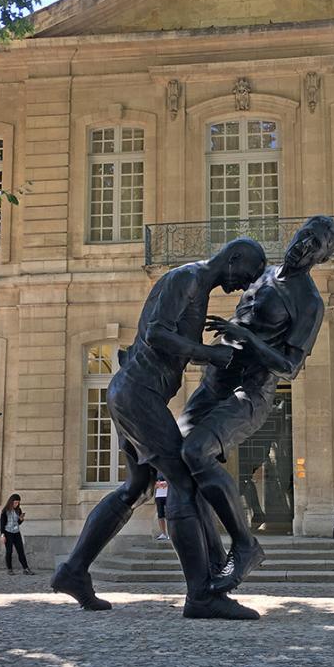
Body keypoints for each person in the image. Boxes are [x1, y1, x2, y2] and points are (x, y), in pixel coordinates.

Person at [51, 237, 266, 620]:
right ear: (232, 258)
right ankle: (201, 595)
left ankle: (73, 570)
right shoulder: (187, 278)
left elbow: (167, 344)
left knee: (137, 486)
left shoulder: (197, 287)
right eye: (245, 276)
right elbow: (156, 334)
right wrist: (210, 354)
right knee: (184, 481)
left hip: (130, 392)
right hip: (139, 395)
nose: (241, 287)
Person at [179, 216, 334, 593]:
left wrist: (246, 339)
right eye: (304, 237)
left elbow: (290, 367)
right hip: (217, 380)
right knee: (175, 460)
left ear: (321, 257)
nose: (303, 247)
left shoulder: (309, 302)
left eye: (314, 245)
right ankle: (215, 561)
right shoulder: (264, 273)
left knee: (194, 450)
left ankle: (246, 544)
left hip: (250, 393)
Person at [0, 493, 35, 575]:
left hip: (16, 532)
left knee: (21, 551)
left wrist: (21, 519)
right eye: (15, 502)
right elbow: (2, 524)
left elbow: (18, 522)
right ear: (11, 502)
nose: (17, 504)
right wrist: (2, 535)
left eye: (18, 503)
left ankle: (26, 569)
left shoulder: (18, 510)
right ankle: (9, 569)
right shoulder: (5, 511)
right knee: (9, 551)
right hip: (8, 532)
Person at [154, 472, 169, 540]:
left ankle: (170, 533)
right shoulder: (156, 473)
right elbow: (152, 485)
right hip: (159, 496)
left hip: (169, 495)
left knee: (169, 515)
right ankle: (163, 533)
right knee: (160, 515)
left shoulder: (169, 470)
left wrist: (167, 484)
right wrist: (156, 484)